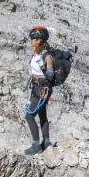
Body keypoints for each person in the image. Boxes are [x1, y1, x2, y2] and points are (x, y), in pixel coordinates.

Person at [23, 26, 54, 155]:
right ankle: (46, 142)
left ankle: (36, 145)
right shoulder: (36, 53)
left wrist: (42, 66)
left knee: (29, 116)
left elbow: (50, 75)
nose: (31, 41)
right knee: (42, 115)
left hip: (42, 89)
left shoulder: (47, 56)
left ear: (39, 40)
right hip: (36, 88)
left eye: (33, 39)